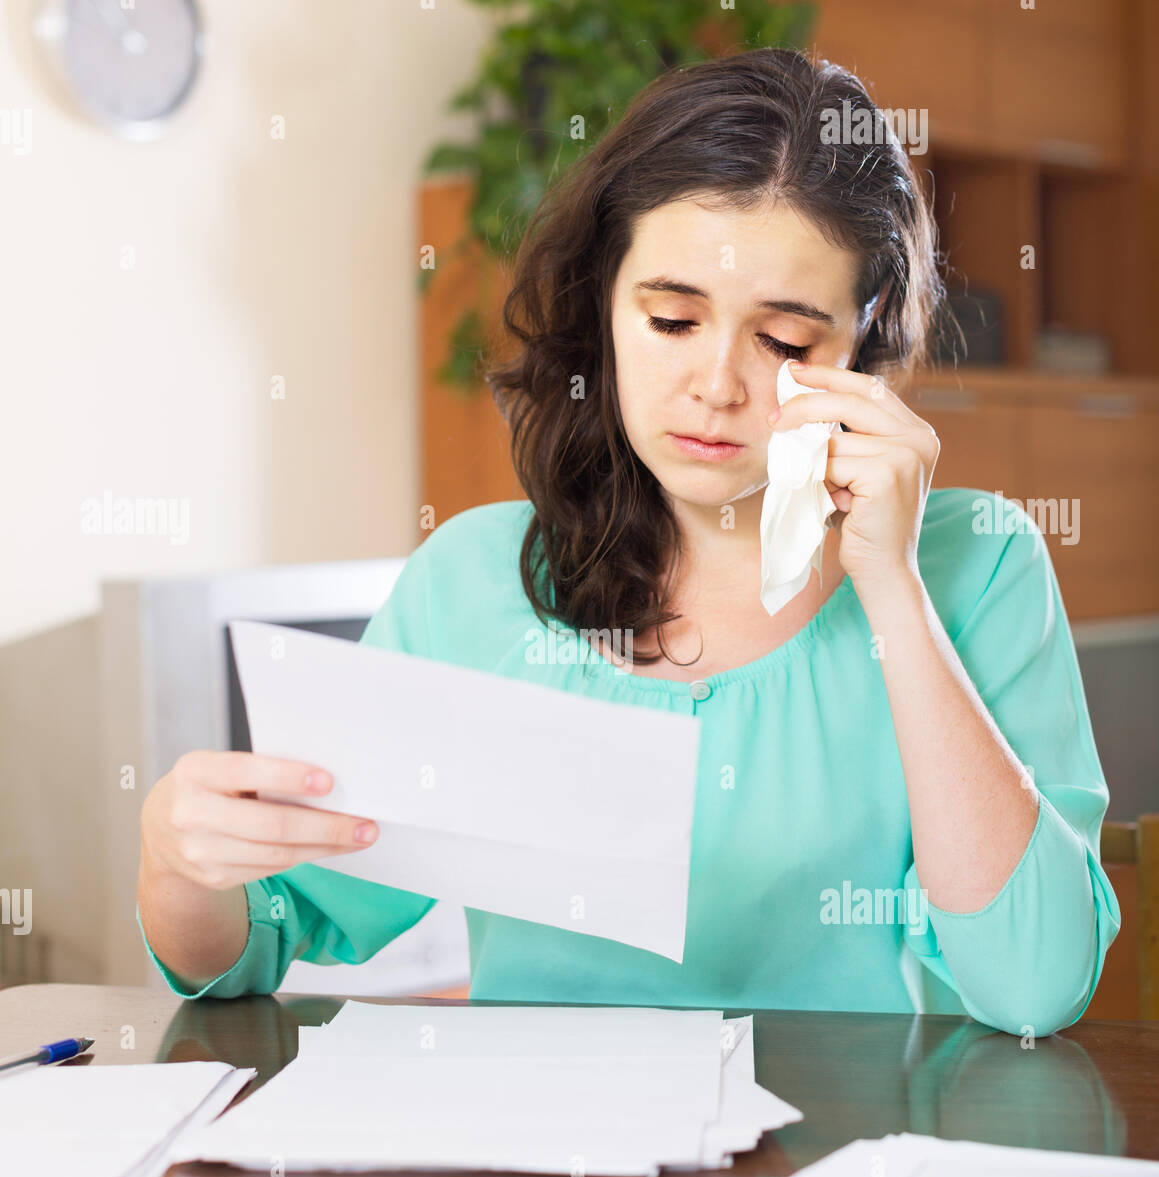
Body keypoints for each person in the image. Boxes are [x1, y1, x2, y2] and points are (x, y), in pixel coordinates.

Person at [137, 47, 1119, 1036]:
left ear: (858, 342)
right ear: (604, 299)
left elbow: (1033, 988)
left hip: (849, 1160)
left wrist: (894, 593)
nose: (718, 385)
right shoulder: (473, 582)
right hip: (549, 1172)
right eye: (671, 318)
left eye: (782, 340)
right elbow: (257, 944)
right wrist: (180, 860)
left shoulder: (977, 563)